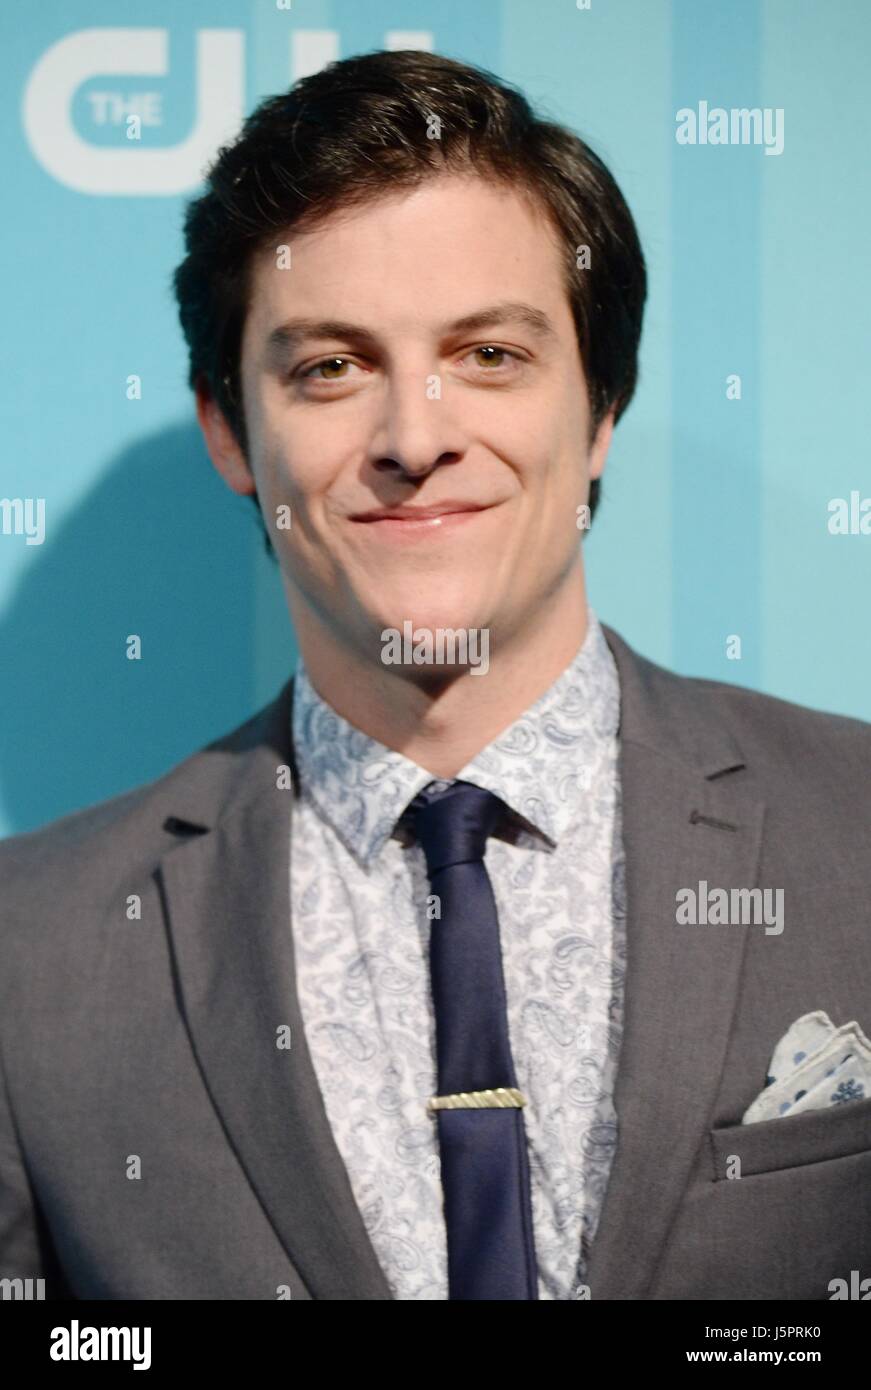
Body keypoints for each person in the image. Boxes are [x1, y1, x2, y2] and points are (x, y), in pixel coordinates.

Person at [1, 49, 869, 1303]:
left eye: (491, 355)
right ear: (228, 430)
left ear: (601, 403)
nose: (414, 436)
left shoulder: (853, 825)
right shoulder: (33, 959)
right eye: (329, 368)